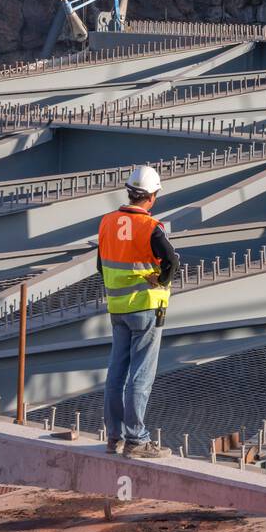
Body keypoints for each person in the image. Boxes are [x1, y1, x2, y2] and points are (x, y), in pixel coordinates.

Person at [97, 165, 178, 458]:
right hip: (145, 307)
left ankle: (114, 437)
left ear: (129, 192)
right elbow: (171, 260)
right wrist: (162, 279)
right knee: (141, 375)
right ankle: (136, 440)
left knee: (116, 372)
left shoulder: (106, 222)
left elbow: (100, 266)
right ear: (152, 197)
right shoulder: (151, 227)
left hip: (117, 308)